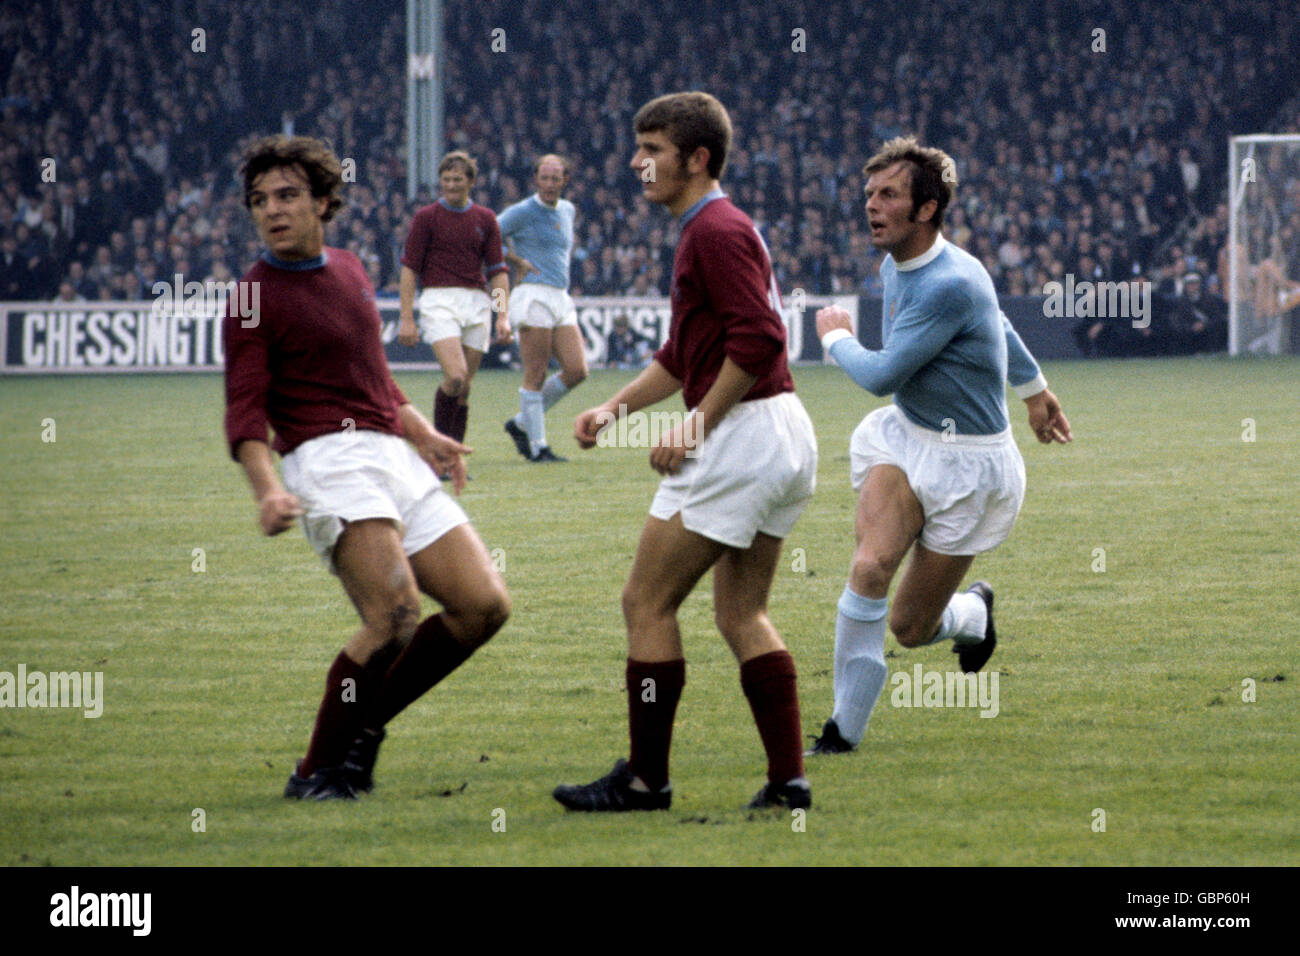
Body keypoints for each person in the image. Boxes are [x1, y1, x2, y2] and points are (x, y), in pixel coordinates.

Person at [553, 92, 819, 812]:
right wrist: (617, 406)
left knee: (646, 600)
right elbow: (683, 353)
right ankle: (788, 782)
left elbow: (759, 342)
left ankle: (646, 780)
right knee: (740, 613)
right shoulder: (717, 227)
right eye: (638, 147)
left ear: (697, 159)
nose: (639, 163)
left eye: (653, 149)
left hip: (744, 434)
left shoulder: (712, 230)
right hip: (782, 430)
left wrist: (696, 425)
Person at [224, 135, 510, 800]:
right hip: (325, 462)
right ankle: (315, 772)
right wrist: (267, 490)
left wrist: (425, 435)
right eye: (261, 201)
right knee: (394, 613)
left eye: (289, 195)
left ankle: (362, 727)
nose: (273, 210)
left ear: (325, 201)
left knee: (483, 606)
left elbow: (374, 378)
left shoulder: (350, 269)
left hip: (389, 452)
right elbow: (244, 413)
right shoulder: (249, 298)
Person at [808, 136, 1072, 755]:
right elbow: (1000, 320)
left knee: (908, 627)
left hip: (972, 469)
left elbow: (880, 376)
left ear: (926, 209)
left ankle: (973, 617)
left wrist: (836, 338)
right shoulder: (899, 264)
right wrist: (1035, 389)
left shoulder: (949, 281)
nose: (871, 206)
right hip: (906, 441)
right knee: (870, 567)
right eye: (869, 194)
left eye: (888, 195)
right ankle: (842, 731)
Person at [397, 151, 512, 445]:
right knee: (456, 376)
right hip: (439, 301)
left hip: (476, 303)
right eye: (446, 179)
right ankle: (437, 449)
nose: (450, 185)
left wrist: (502, 315)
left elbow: (498, 271)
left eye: (457, 179)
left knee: (465, 388)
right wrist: (407, 318)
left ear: (470, 182)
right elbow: (410, 269)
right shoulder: (426, 218)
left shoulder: (486, 219)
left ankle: (453, 454)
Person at [499, 154, 588, 463]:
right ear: (536, 180)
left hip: (560, 296)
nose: (550, 184)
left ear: (565, 180)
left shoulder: (567, 209)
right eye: (545, 178)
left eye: (556, 178)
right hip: (533, 294)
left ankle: (521, 423)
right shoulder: (522, 211)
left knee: (577, 370)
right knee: (535, 374)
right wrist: (515, 260)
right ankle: (538, 447)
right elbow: (487, 235)